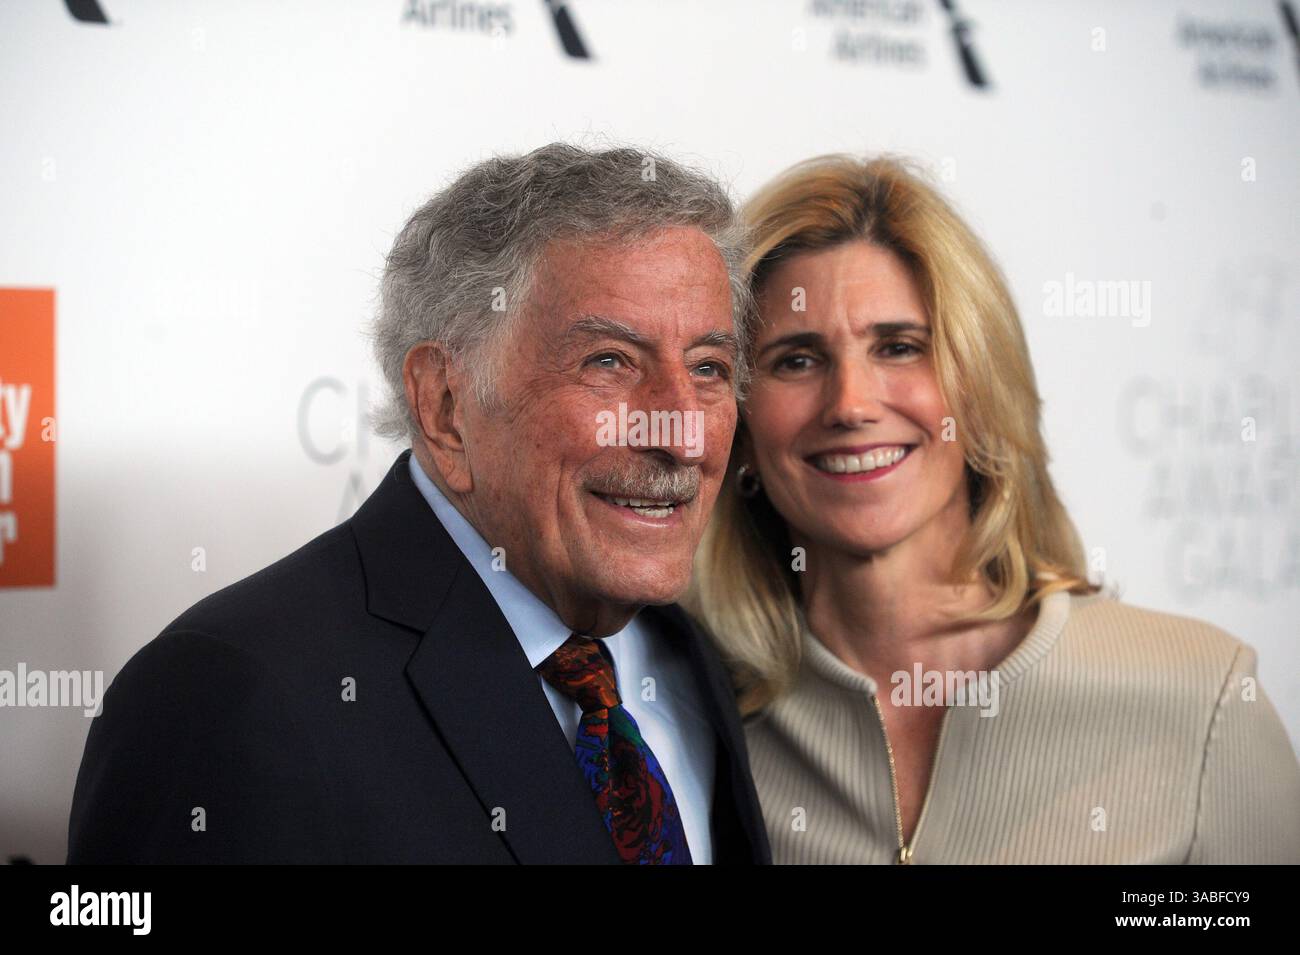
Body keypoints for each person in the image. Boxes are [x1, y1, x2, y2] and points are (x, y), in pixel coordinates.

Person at [67, 143, 771, 865]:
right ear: (443, 402)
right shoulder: (227, 699)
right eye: (610, 362)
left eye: (709, 368)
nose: (682, 432)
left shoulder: (690, 663)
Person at [683, 153, 1300, 864]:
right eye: (796, 359)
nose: (850, 403)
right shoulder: (690, 722)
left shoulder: (1200, 694)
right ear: (739, 424)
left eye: (900, 347)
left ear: (979, 390)